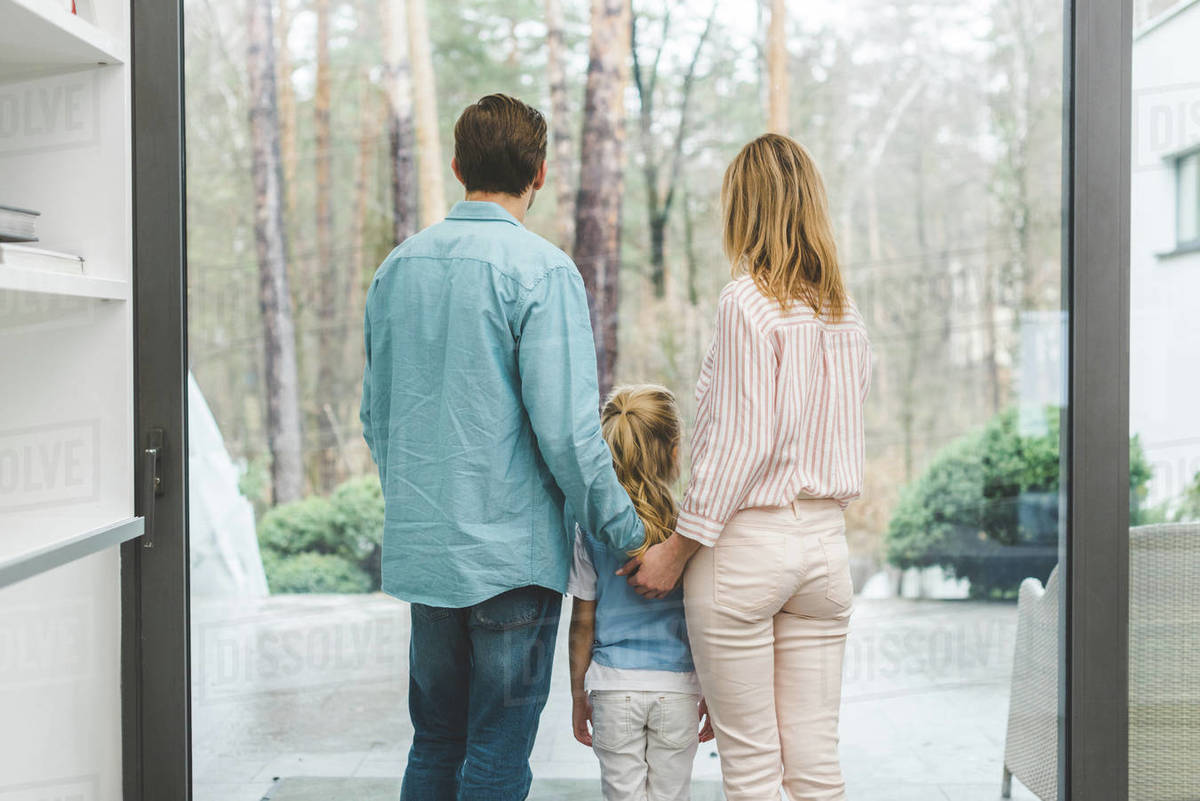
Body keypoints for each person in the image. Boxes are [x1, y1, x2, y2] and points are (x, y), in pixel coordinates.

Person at [359, 93, 646, 801]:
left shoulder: (399, 269)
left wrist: (424, 506)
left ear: (458, 166)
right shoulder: (543, 273)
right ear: (539, 173)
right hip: (511, 562)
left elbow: (376, 417)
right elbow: (571, 435)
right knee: (495, 749)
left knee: (434, 740)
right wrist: (628, 532)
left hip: (428, 554)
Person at [622, 134, 873, 801]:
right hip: (824, 550)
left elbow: (742, 443)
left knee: (754, 771)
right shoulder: (844, 313)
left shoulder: (746, 303)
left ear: (746, 208)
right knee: (817, 771)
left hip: (746, 549)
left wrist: (678, 548)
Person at [566, 385, 715, 801]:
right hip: (678, 689)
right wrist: (713, 688)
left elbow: (582, 623)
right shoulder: (689, 531)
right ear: (672, 451)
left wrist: (578, 693)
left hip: (614, 687)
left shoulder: (592, 529)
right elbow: (705, 615)